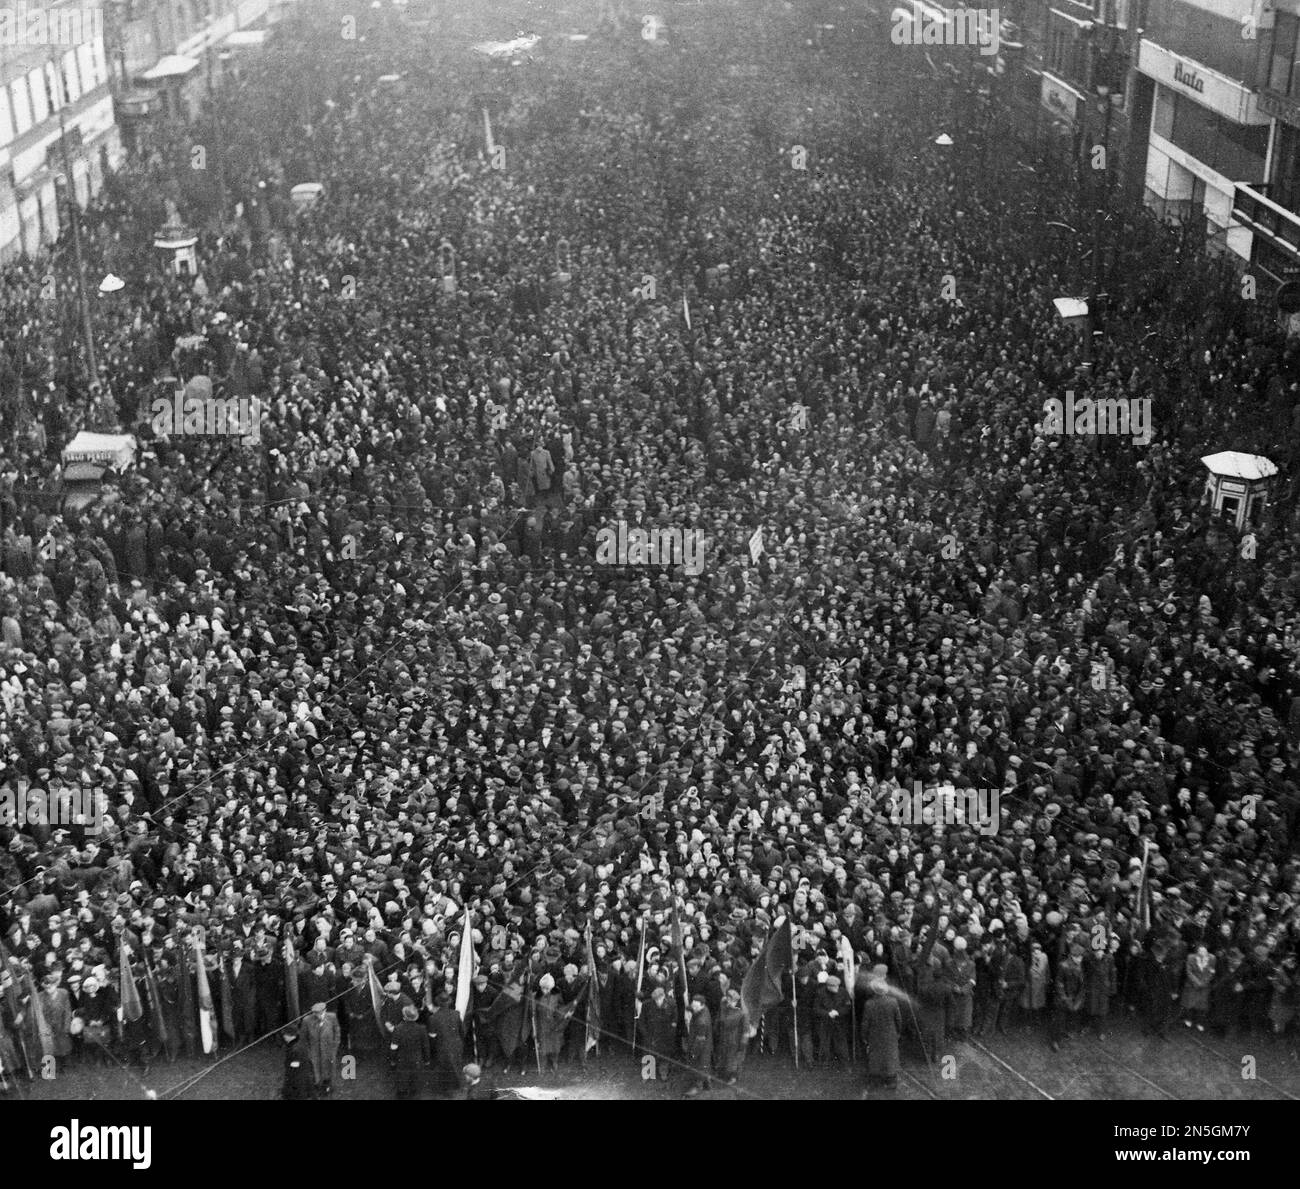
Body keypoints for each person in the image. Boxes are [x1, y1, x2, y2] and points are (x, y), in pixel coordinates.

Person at [860, 966, 901, 1095]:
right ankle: (891, 1082)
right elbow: (898, 1020)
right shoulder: (893, 1002)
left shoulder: (869, 1004)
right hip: (890, 1034)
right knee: (890, 1057)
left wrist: (864, 1036)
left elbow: (865, 1023)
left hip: (874, 1035)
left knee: (875, 1058)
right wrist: (898, 1033)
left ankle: (875, 1081)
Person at [300, 1001, 341, 1097]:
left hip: (328, 1049)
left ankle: (328, 1087)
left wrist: (334, 1048)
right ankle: (317, 1087)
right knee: (316, 1069)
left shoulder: (332, 1017)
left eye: (320, 1013)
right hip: (315, 1050)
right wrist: (308, 1051)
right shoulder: (307, 1020)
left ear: (325, 1011)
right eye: (315, 1013)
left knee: (328, 1068)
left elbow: (337, 1032)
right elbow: (303, 1038)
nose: (318, 1016)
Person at [389, 1004, 429, 1099]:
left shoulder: (398, 1029)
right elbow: (426, 1046)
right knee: (415, 1083)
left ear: (404, 1016)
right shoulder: (422, 1029)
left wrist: (393, 1060)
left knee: (402, 1082)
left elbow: (393, 1047)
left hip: (402, 1060)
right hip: (417, 1060)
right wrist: (427, 1060)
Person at [713, 985, 748, 1086]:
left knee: (734, 1059)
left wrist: (743, 1043)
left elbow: (746, 1030)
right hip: (724, 1037)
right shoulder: (724, 1008)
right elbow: (719, 1019)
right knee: (723, 1056)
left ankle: (734, 1076)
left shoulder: (742, 1013)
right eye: (728, 999)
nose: (729, 1002)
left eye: (731, 1000)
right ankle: (723, 1073)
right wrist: (716, 1029)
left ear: (736, 1001)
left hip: (735, 1040)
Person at [683, 992, 713, 1097]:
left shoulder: (701, 1021)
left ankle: (697, 1087)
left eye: (695, 1006)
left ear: (701, 1005)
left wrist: (693, 1054)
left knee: (698, 1067)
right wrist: (689, 1007)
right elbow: (694, 1010)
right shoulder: (705, 1009)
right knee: (704, 1065)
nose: (693, 1007)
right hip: (707, 1045)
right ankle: (707, 1083)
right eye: (693, 1005)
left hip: (701, 1048)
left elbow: (699, 1041)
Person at [281, 1025, 316, 1101]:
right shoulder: (300, 1044)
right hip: (305, 1076)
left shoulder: (294, 1049)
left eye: (285, 1035)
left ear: (290, 1035)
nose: (284, 1037)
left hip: (297, 1079)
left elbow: (295, 1065)